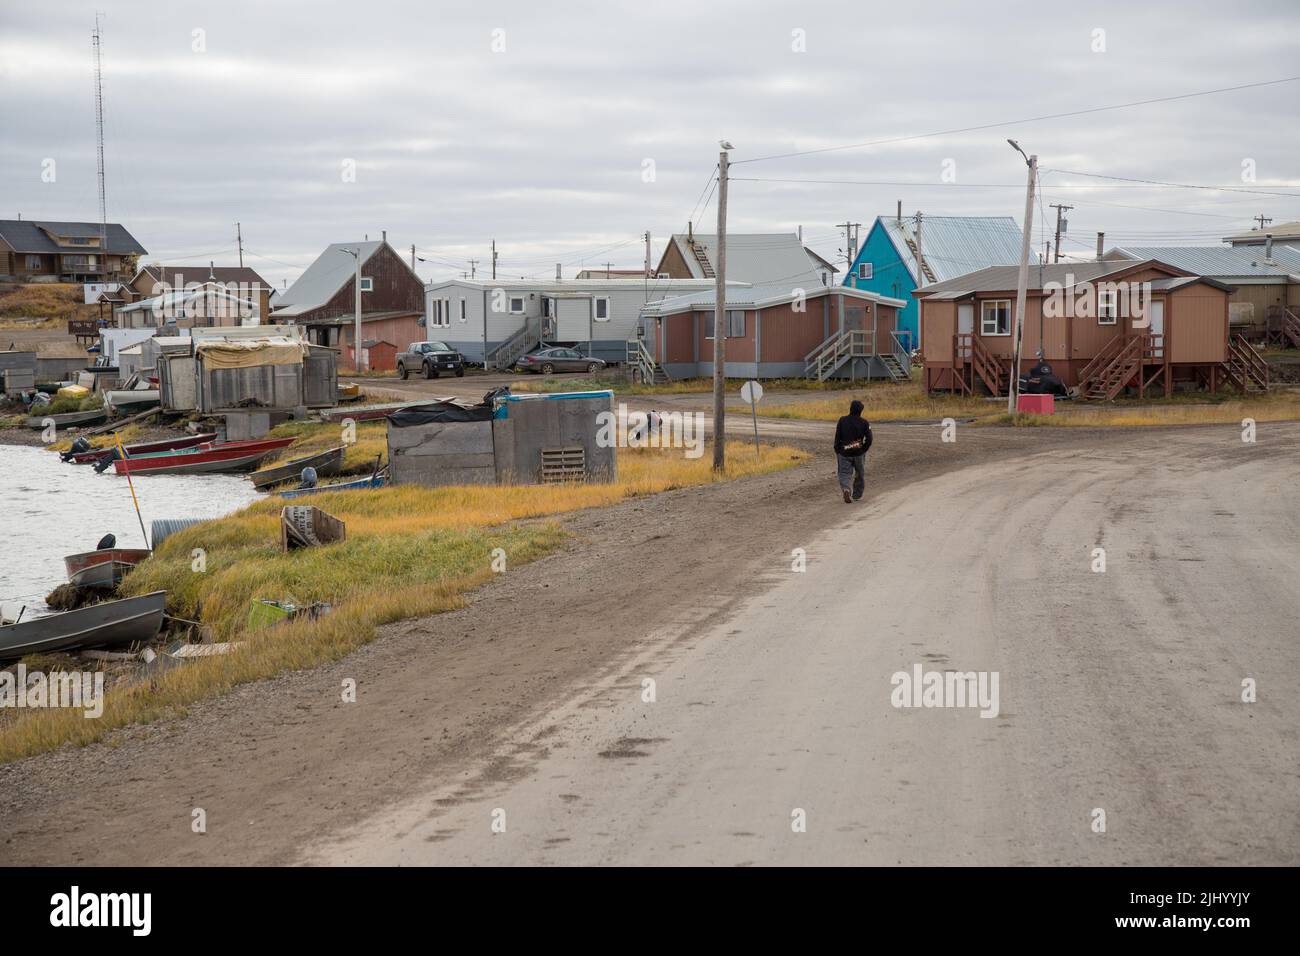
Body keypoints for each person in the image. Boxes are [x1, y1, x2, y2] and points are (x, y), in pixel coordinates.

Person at [832, 399, 872, 503]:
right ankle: (857, 495)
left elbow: (838, 436)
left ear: (850, 408)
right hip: (859, 452)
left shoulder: (842, 420)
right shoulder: (864, 422)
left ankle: (846, 489)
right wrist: (864, 449)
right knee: (859, 473)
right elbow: (869, 438)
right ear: (861, 411)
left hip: (844, 452)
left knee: (844, 473)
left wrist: (837, 449)